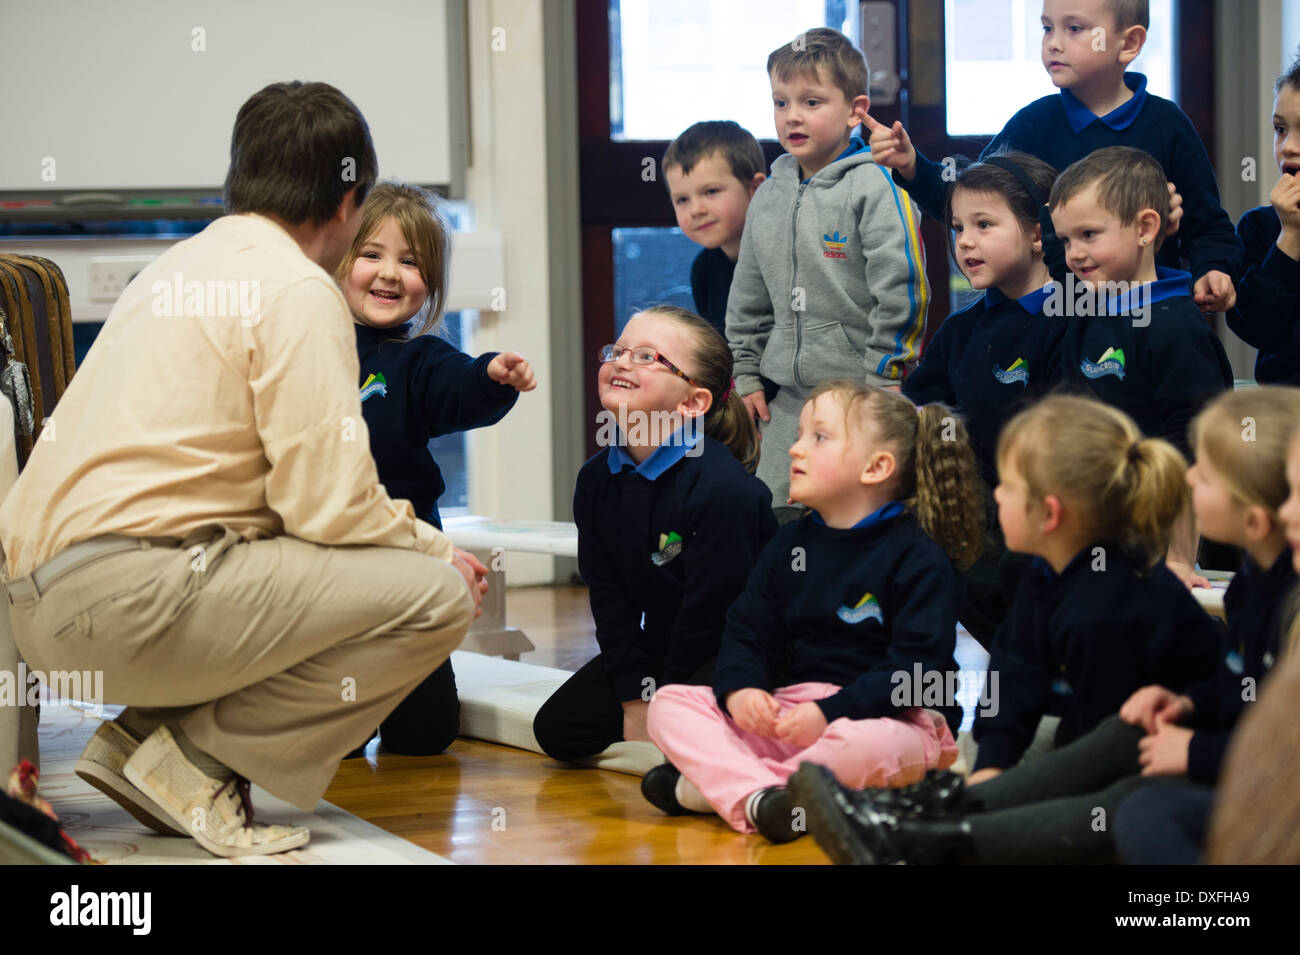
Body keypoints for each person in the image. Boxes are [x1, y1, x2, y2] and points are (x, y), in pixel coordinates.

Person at [0, 82, 487, 858]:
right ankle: (197, 761)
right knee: (437, 595)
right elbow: (329, 508)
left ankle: (141, 745)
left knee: (281, 556)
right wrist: (435, 548)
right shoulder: (296, 288)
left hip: (40, 610)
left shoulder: (176, 266)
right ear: (348, 200)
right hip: (119, 605)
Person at [790, 388, 1300, 865]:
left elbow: (1268, 738)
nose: (1188, 478)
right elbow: (1015, 676)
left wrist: (1193, 744)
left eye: (1007, 488)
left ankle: (928, 835)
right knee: (1019, 743)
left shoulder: (1117, 601)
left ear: (1049, 514)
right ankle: (922, 816)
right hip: (1160, 740)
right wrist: (995, 764)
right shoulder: (1041, 573)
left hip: (1207, 767)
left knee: (1130, 800)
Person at [643, 383, 984, 842]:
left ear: (877, 467)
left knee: (866, 745)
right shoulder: (789, 544)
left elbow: (917, 672)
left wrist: (831, 712)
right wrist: (742, 692)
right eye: (800, 434)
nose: (795, 448)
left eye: (819, 437)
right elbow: (746, 632)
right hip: (795, 715)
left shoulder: (918, 556)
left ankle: (717, 790)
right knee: (670, 704)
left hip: (892, 720)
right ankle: (768, 797)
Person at [867, 0, 1242, 308]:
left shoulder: (1168, 125)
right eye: (1048, 28)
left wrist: (1215, 269)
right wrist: (911, 163)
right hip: (1048, 318)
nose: (1054, 43)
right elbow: (969, 200)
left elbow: (1208, 226)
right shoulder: (1033, 123)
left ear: (1129, 43)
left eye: (1074, 29)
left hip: (1144, 316)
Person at [336, 180, 536, 758]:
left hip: (410, 553)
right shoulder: (310, 343)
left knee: (426, 735)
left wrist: (490, 374)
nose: (390, 273)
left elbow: (457, 387)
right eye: (371, 254)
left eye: (411, 262)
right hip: (332, 560)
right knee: (342, 738)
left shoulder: (419, 358)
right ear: (339, 260)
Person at [532, 306, 777, 763]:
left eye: (648, 357)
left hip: (737, 650)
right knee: (559, 731)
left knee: (694, 744)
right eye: (619, 350)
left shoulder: (723, 490)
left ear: (693, 403)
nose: (622, 362)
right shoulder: (596, 479)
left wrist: (665, 703)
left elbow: (709, 616)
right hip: (666, 643)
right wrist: (634, 698)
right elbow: (609, 598)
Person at [726, 27, 928, 518]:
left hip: (862, 393)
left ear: (856, 110)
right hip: (788, 401)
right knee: (776, 514)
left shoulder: (878, 185)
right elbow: (748, 296)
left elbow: (903, 288)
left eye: (811, 101)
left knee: (854, 515)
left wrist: (885, 375)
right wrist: (746, 374)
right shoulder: (769, 194)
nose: (792, 115)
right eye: (780, 102)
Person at [1048, 145, 1235, 580]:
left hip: (1167, 533)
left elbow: (1192, 455)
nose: (1073, 254)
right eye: (1065, 240)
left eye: (1089, 235)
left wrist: (1178, 557)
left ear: (1146, 228)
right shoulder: (1082, 314)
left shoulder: (1177, 329)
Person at [902, 152, 1062, 647]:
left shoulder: (1075, 321)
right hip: (974, 517)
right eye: (956, 227)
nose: (964, 241)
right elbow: (919, 410)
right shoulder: (960, 330)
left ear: (1039, 234)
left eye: (984, 224)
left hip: (1049, 520)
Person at [1226, 51, 1300, 386]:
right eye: (1280, 129)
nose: (1287, 147)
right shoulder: (1259, 227)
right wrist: (1290, 236)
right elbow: (1253, 327)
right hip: (1283, 410)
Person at [662, 121, 767, 337]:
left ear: (756, 189)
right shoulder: (703, 270)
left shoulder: (785, 258)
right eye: (682, 199)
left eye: (710, 191)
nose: (696, 210)